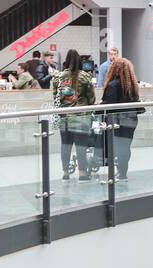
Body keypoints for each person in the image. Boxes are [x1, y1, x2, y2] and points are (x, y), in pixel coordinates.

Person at [53, 48, 95, 180]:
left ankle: (65, 172)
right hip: (81, 118)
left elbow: (55, 97)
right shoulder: (85, 76)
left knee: (65, 146)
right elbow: (92, 99)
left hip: (64, 118)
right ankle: (82, 173)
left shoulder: (58, 77)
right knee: (81, 146)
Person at [100, 56, 142, 185]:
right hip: (131, 120)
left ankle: (117, 173)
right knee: (125, 146)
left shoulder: (112, 85)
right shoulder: (132, 85)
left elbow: (109, 104)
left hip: (116, 120)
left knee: (116, 147)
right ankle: (123, 172)